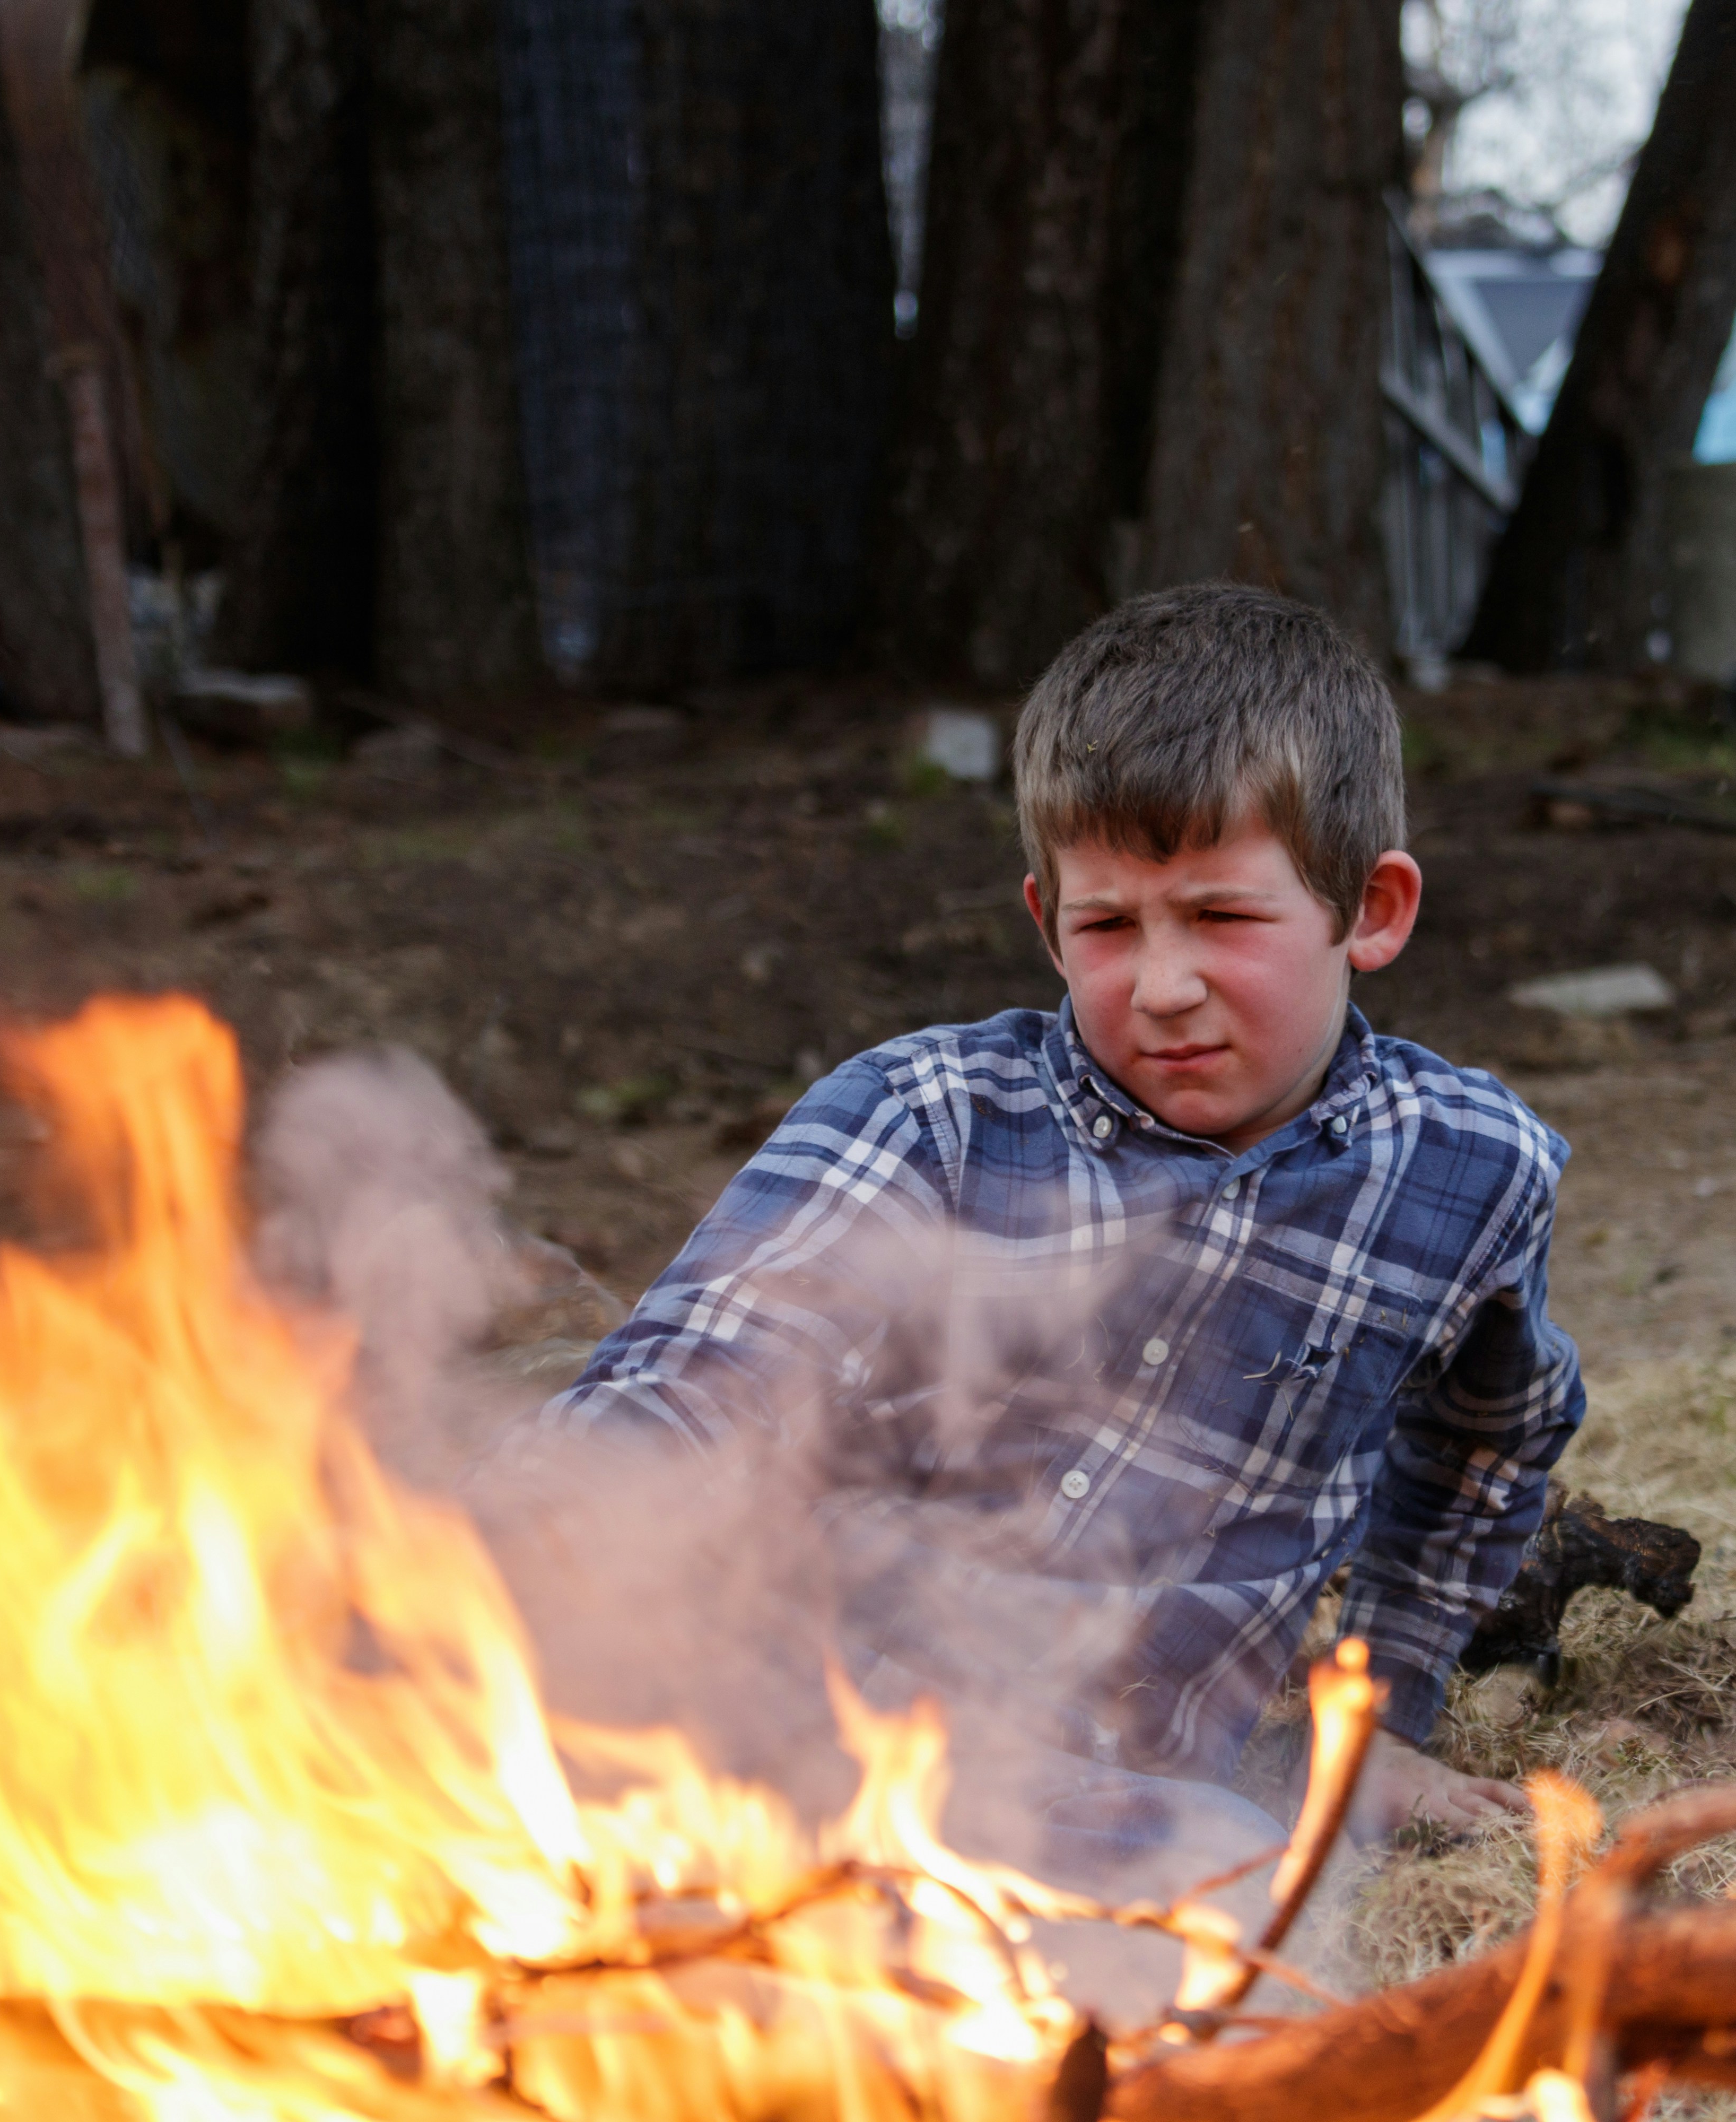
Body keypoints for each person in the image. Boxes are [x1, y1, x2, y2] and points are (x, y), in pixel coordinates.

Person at [543, 582, 1581, 1875]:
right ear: (1046, 923)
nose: (1161, 986)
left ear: (1369, 909)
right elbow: (698, 1374)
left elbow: (1496, 1433)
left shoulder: (1471, 1171)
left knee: (1249, 1919)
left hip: (1123, 1801)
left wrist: (1378, 1704)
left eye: (1220, 916)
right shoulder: (926, 1120)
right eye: (1107, 926)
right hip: (805, 1737)